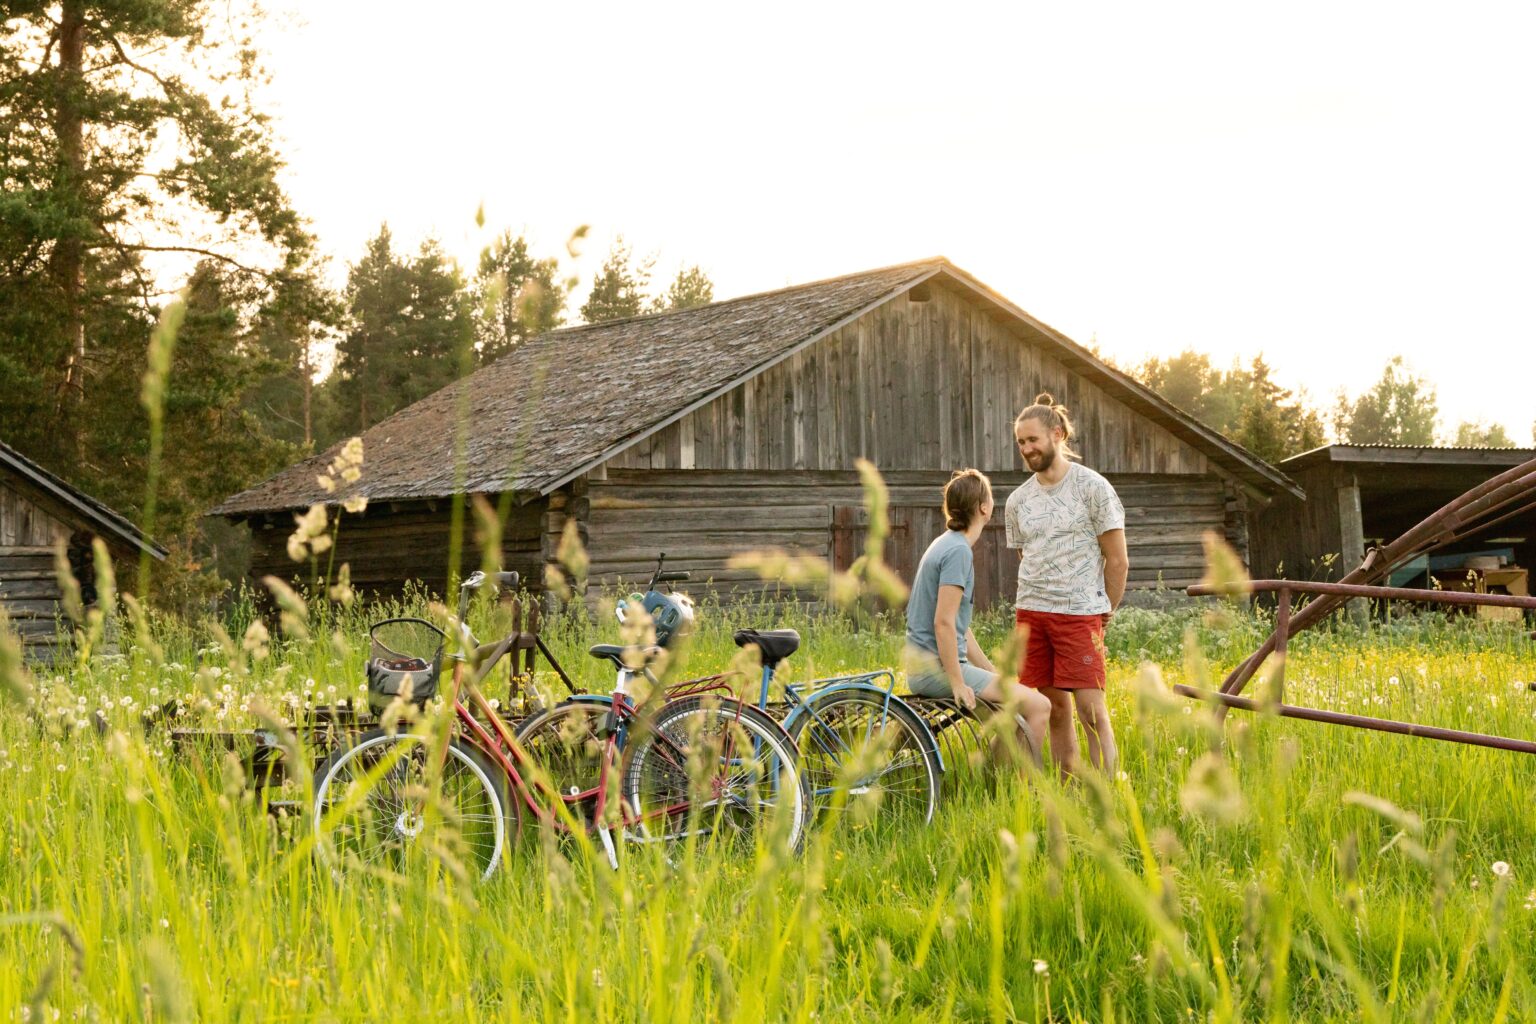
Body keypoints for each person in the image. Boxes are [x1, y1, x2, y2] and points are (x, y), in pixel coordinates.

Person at [1006, 393, 1129, 777]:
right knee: (1052, 707)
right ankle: (1070, 787)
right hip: (1031, 615)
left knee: (1092, 712)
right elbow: (1027, 558)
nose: (1027, 449)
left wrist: (1104, 609)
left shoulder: (1093, 488)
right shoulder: (1017, 501)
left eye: (1033, 440)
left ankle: (1105, 797)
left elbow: (1118, 559)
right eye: (1021, 442)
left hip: (1079, 615)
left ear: (1057, 434)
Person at [905, 468, 1052, 764]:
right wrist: (959, 683)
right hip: (937, 671)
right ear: (984, 507)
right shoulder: (958, 552)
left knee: (1008, 719)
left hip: (928, 668)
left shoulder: (945, 544)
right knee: (1040, 705)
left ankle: (998, 784)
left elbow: (960, 627)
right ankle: (1024, 790)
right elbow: (943, 623)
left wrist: (990, 672)